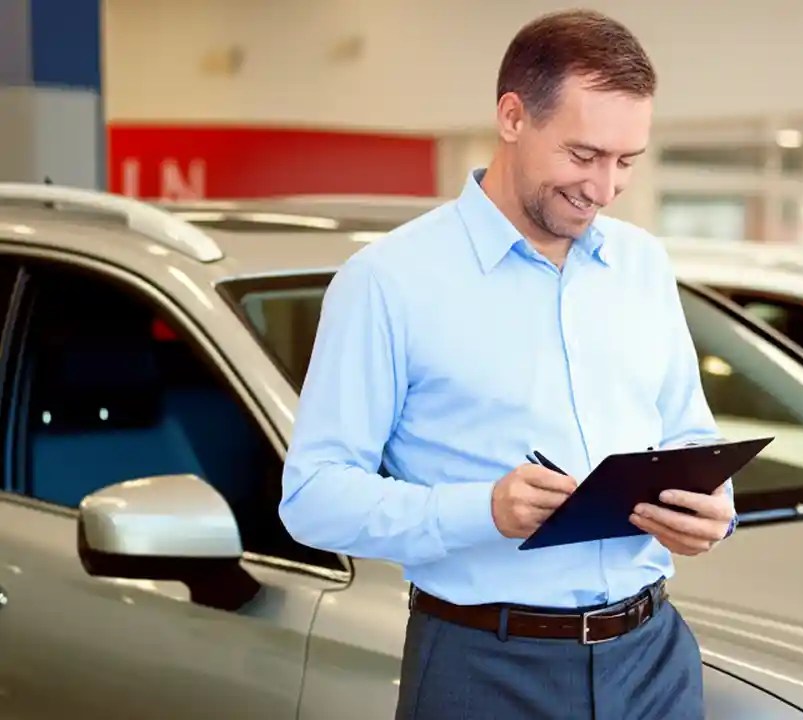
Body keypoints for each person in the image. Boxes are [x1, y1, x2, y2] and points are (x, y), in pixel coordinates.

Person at [279, 9, 737, 719]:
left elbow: (686, 430)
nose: (605, 188)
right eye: (583, 156)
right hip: (486, 668)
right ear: (513, 116)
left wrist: (712, 508)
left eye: (626, 162)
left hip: (652, 660)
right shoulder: (388, 281)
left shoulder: (642, 265)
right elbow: (313, 497)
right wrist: (482, 509)